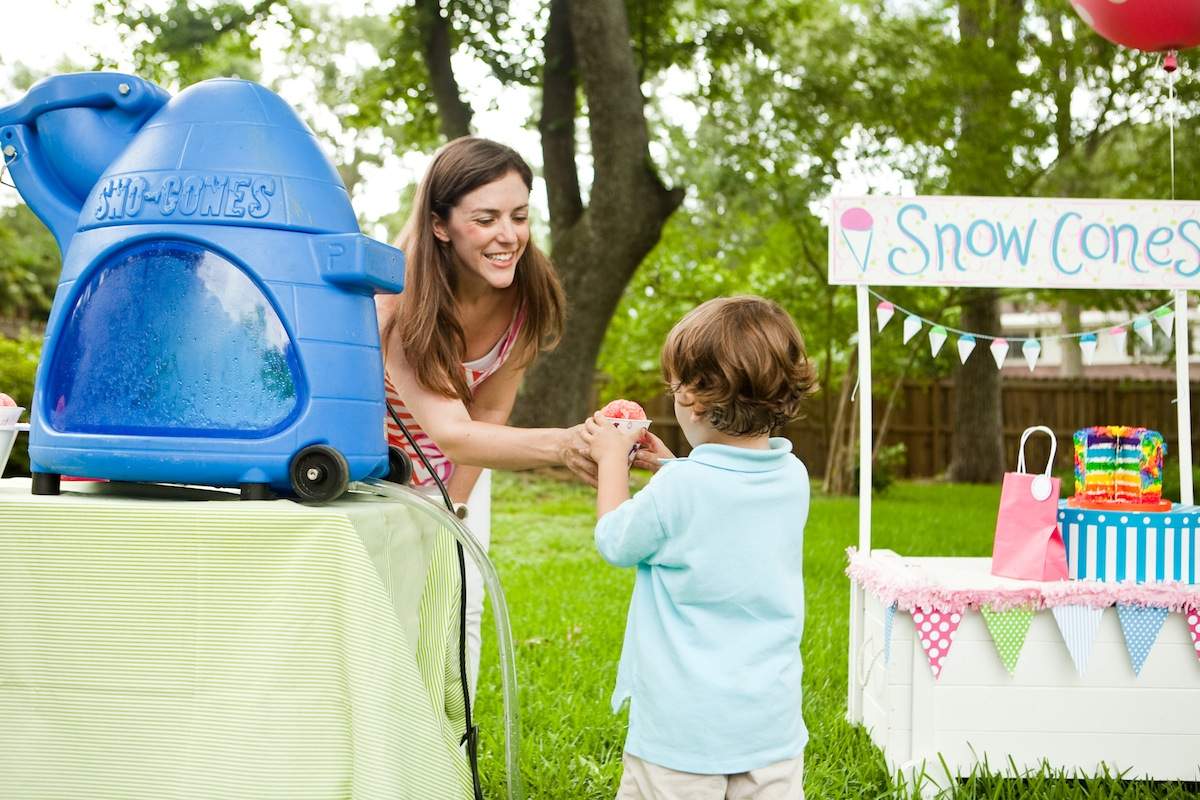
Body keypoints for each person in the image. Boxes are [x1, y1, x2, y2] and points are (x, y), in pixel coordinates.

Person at [376, 136, 595, 694]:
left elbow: (490, 409)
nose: (509, 235)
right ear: (441, 225)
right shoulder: (399, 296)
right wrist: (569, 444)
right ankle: (394, 748)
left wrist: (459, 505)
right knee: (393, 616)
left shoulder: (525, 292)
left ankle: (455, 746)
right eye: (487, 218)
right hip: (378, 475)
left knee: (462, 603)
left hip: (460, 466)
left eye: (519, 216)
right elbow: (450, 430)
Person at [584, 296, 816, 800]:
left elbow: (616, 539)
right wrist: (673, 467)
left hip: (682, 733)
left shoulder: (680, 491)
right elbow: (720, 509)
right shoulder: (791, 476)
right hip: (769, 727)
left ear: (692, 400)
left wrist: (610, 461)